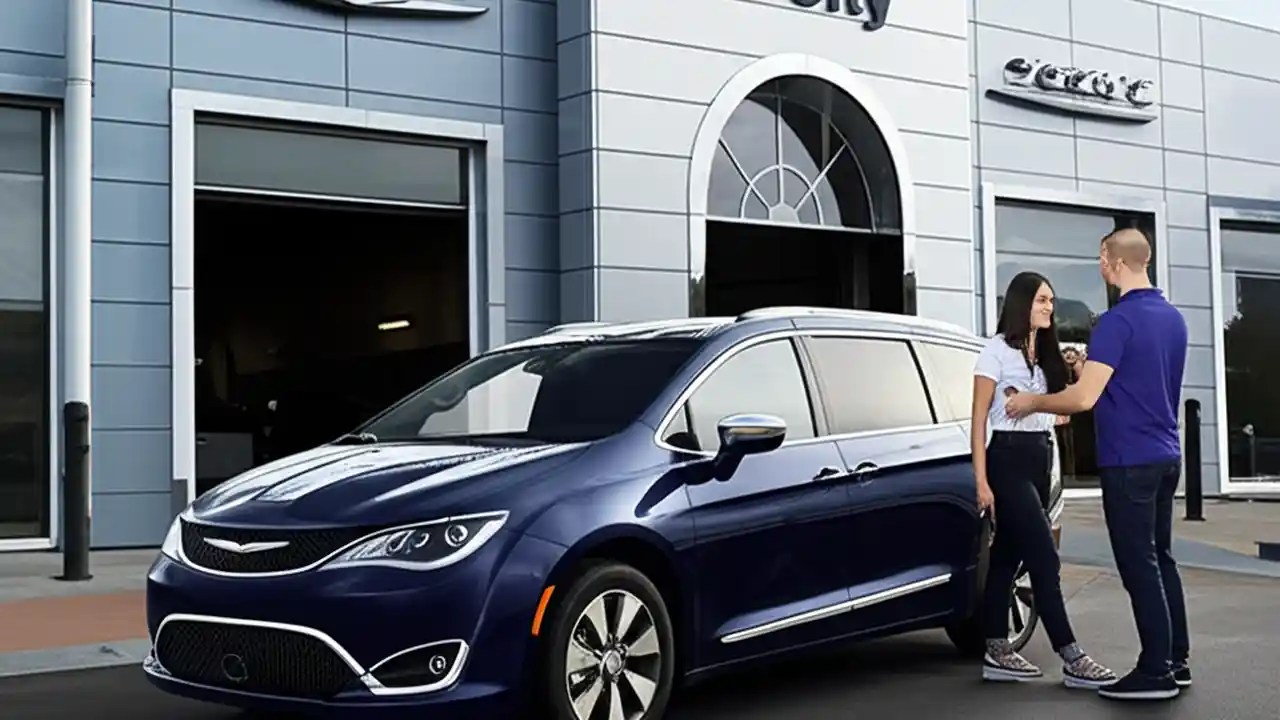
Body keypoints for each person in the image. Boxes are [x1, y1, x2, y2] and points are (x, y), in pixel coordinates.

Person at [1005, 228, 1190, 701]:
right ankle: (1176, 660)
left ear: (1116, 260)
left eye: (1102, 257)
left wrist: (1030, 401)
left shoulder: (1116, 322)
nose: (1100, 266)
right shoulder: (1173, 319)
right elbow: (1136, 382)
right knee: (1160, 557)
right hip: (1166, 457)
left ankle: (1155, 673)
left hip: (1129, 461)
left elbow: (1084, 398)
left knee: (1138, 564)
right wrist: (1082, 370)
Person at [970, 271, 1117, 688]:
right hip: (1007, 460)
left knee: (1006, 558)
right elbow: (978, 419)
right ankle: (1071, 656)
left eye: (1051, 300)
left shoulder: (1048, 353)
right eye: (1041, 300)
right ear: (1022, 303)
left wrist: (1073, 377)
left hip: (1041, 459)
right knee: (1044, 558)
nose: (1049, 307)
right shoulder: (995, 351)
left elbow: (1063, 415)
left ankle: (997, 650)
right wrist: (981, 481)